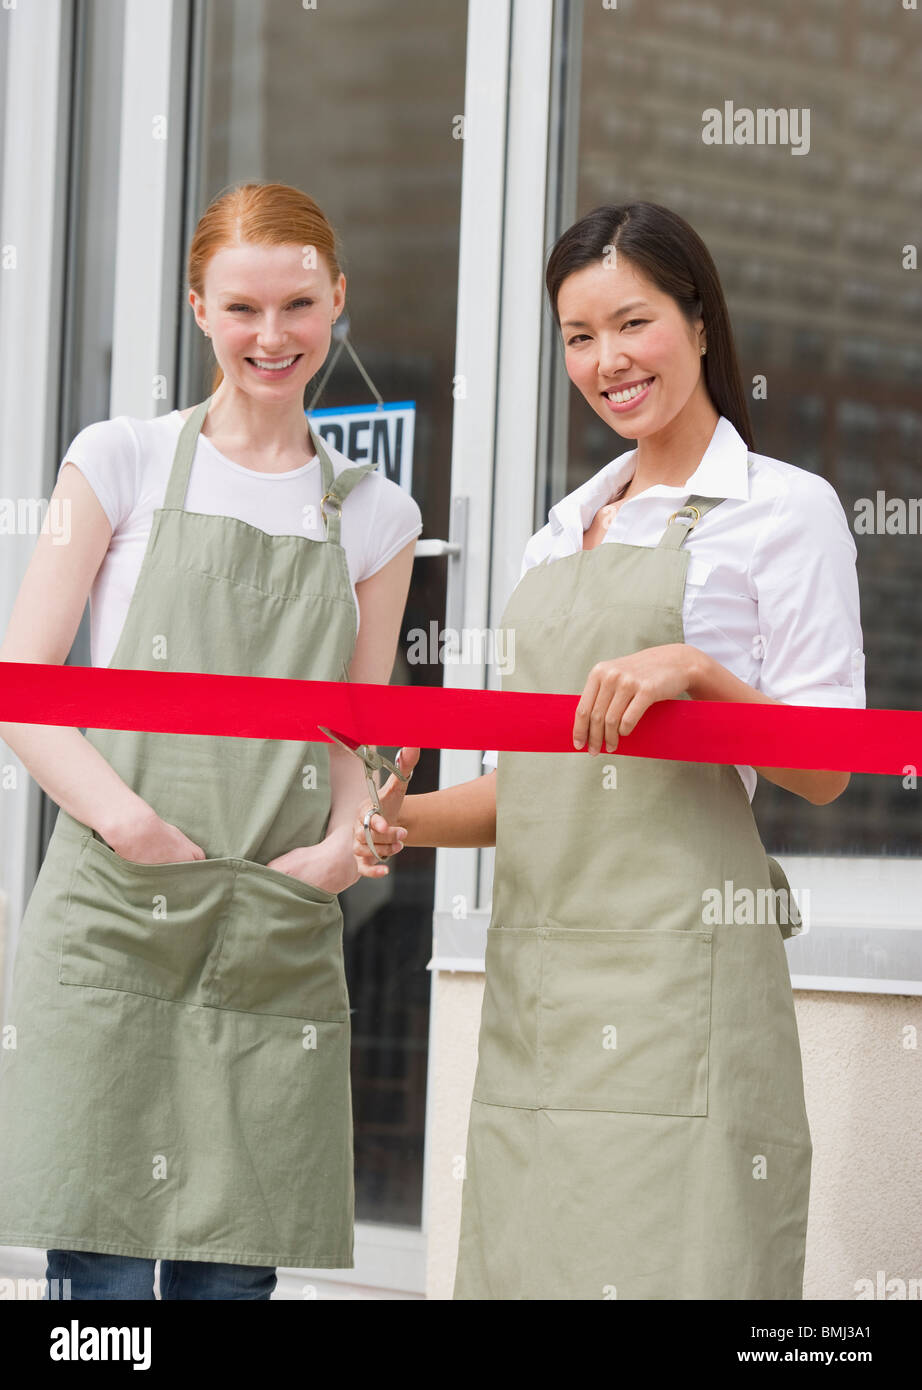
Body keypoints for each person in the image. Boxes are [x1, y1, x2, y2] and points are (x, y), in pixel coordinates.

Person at [352, 201, 865, 1300]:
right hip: (546, 984)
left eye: (632, 323)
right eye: (578, 336)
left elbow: (826, 766)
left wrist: (699, 672)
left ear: (698, 321)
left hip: (684, 980)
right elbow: (539, 782)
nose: (607, 360)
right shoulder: (557, 532)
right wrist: (394, 818)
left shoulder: (782, 510)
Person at [0, 181, 422, 1300]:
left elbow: (358, 735)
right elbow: (24, 688)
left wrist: (339, 853)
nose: (271, 337)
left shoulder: (378, 516)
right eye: (241, 308)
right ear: (198, 309)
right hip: (116, 902)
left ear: (338, 300)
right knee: (94, 1267)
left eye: (297, 304)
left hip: (269, 912)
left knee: (229, 1273)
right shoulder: (119, 457)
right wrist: (128, 821)